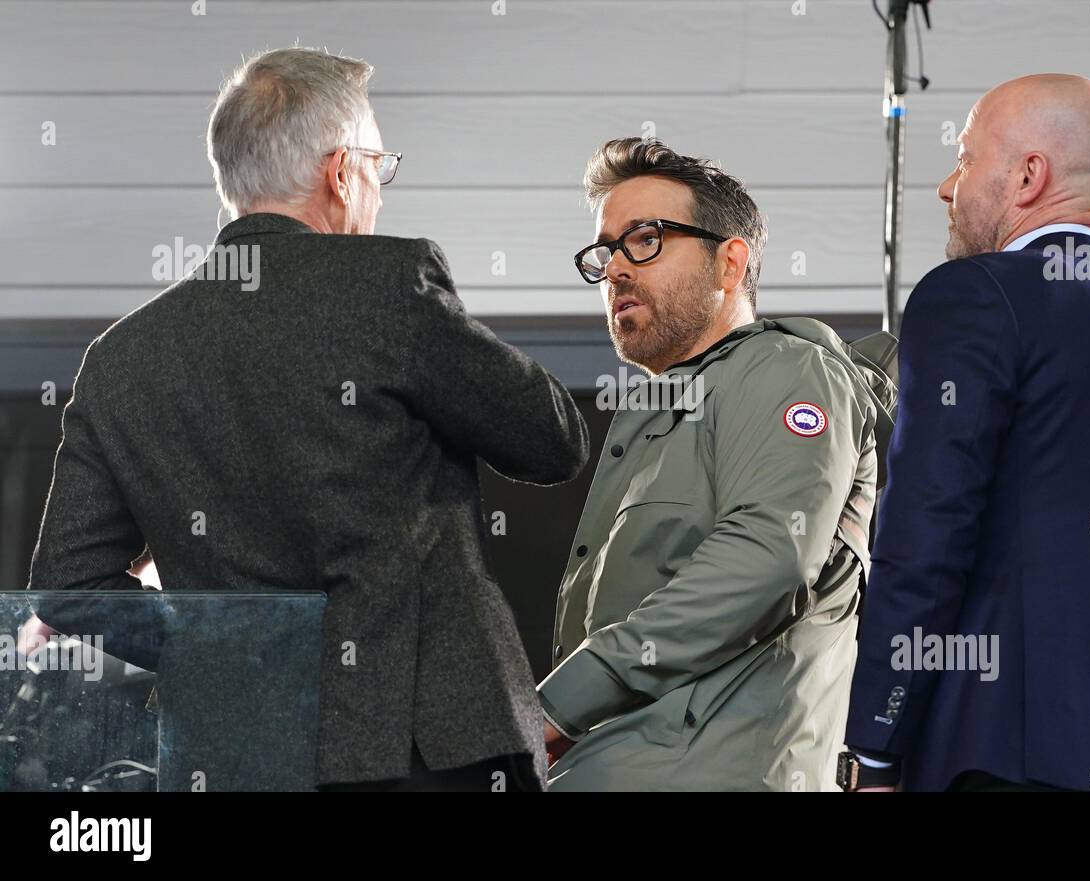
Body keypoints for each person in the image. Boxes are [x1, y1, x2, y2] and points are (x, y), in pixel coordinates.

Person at [26, 47, 589, 792]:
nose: (378, 194)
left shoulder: (119, 357)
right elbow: (552, 440)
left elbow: (67, 583)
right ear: (339, 170)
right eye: (377, 167)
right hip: (428, 751)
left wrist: (221, 640)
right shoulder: (389, 289)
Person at [840, 74, 1090, 793]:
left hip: (1011, 756)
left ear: (1028, 176)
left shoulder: (974, 295)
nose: (946, 186)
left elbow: (925, 535)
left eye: (965, 159)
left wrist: (873, 748)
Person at [539, 138, 885, 790]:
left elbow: (767, 557)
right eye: (605, 250)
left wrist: (560, 702)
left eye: (644, 239)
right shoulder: (659, 417)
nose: (614, 268)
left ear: (730, 263)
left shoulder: (785, 368)